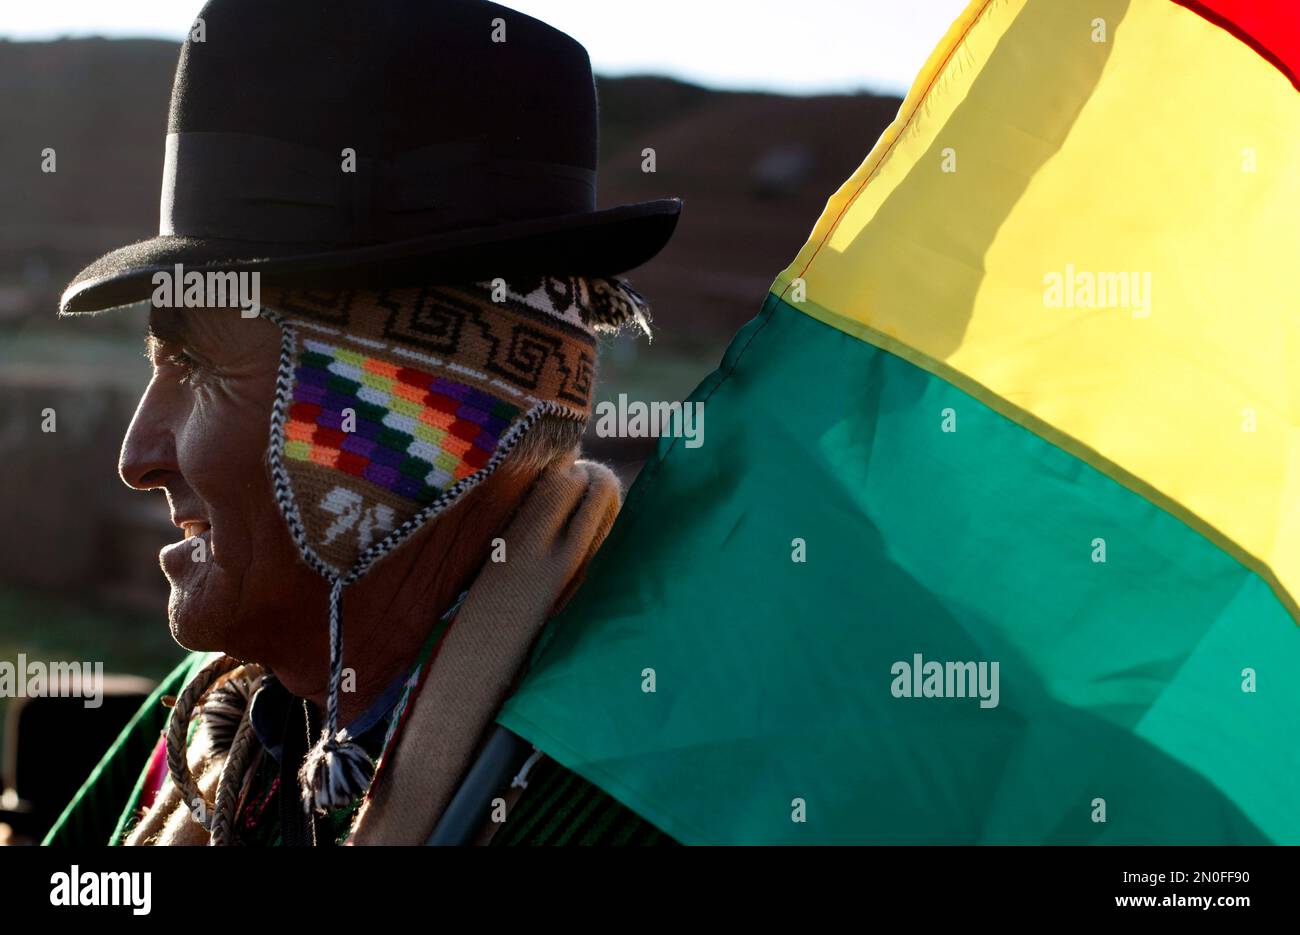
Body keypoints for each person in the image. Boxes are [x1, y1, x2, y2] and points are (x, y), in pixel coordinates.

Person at [42, 0, 682, 846]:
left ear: (407, 427)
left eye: (196, 368)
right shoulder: (203, 724)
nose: (138, 455)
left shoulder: (613, 801)